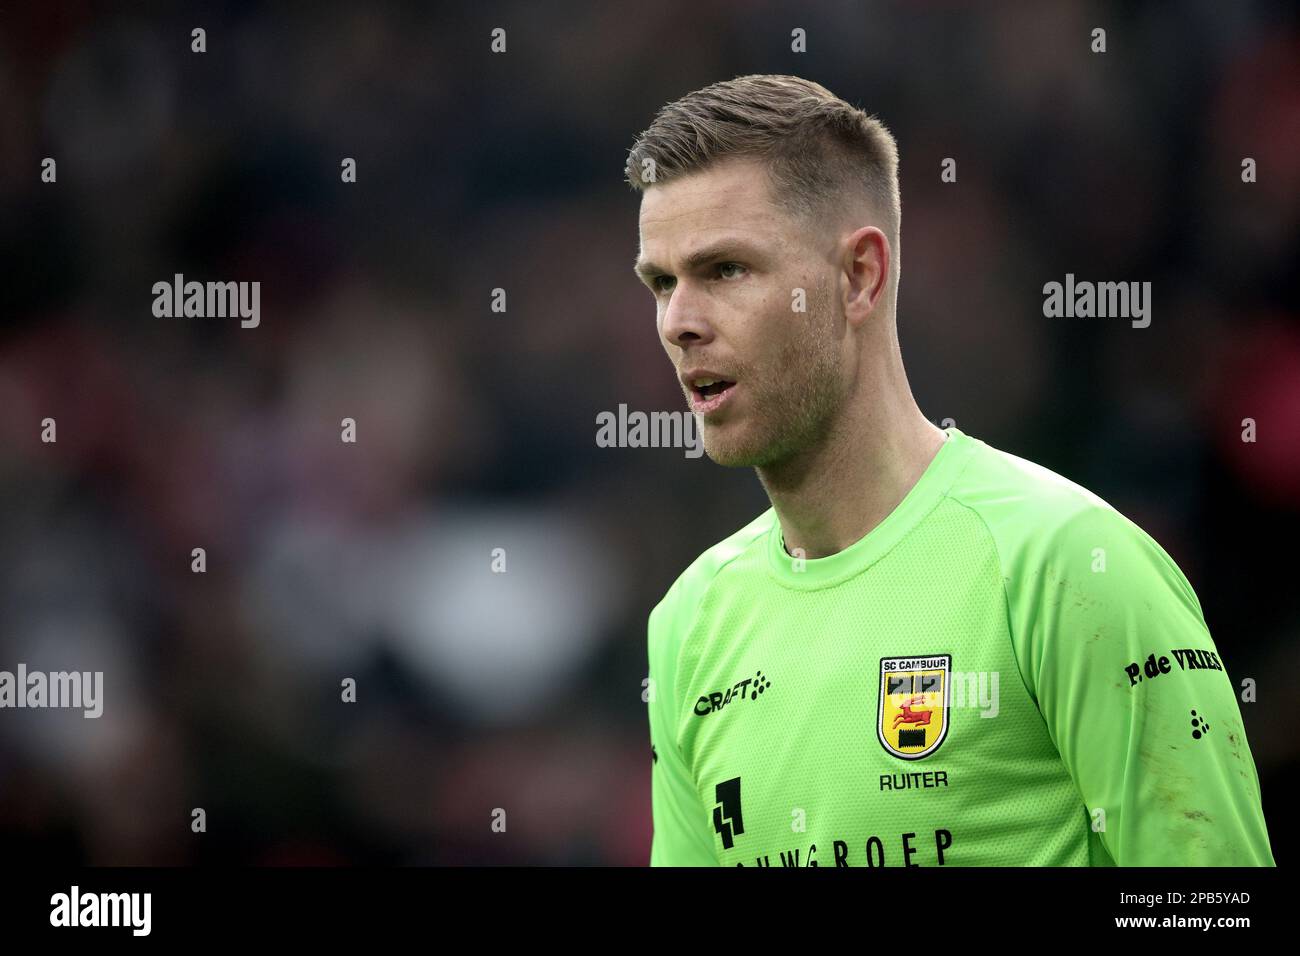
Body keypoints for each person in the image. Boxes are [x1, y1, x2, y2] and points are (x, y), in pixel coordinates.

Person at [626, 74, 1274, 866]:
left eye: (725, 270)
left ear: (859, 275)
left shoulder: (1069, 565)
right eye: (661, 282)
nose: (679, 322)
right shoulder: (691, 623)